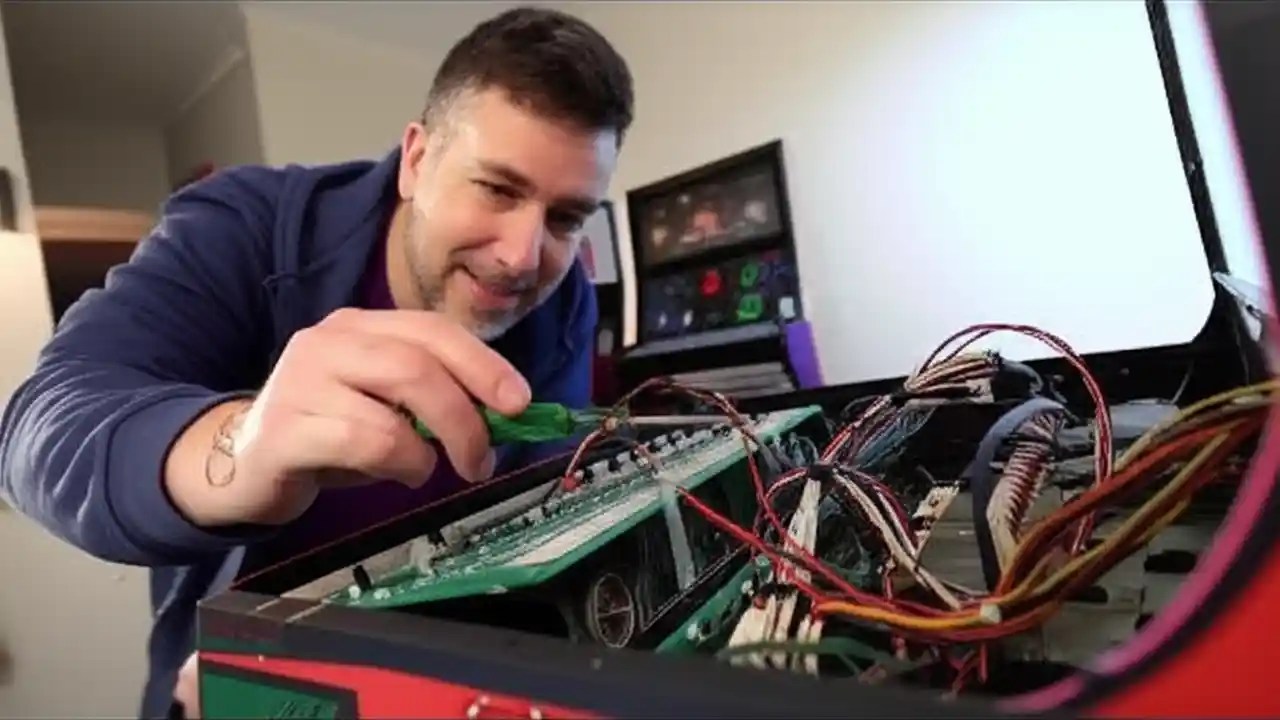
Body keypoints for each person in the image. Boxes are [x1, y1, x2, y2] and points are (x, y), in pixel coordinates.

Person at [0, 6, 633, 718]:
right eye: (497, 189)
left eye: (565, 218)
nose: (521, 256)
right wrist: (239, 447)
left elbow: (547, 514)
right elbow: (35, 430)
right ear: (417, 160)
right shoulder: (241, 226)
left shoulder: (565, 299)